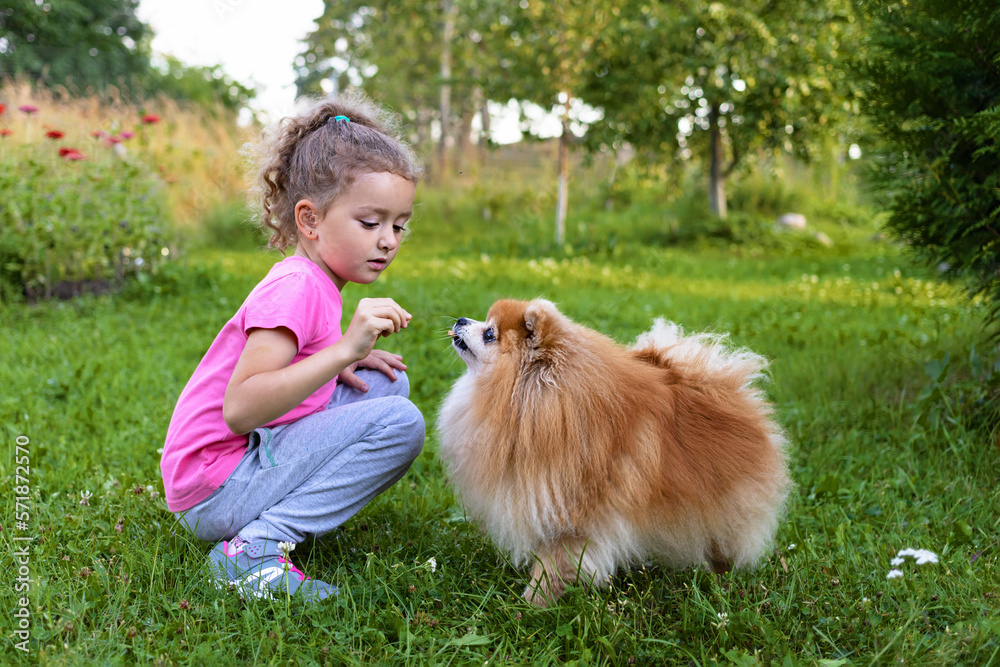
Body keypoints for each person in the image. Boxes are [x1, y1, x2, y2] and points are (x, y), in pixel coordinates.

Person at [160, 93, 425, 601]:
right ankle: (254, 548)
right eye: (371, 223)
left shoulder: (318, 283)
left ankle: (282, 516)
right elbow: (240, 410)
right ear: (309, 220)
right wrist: (343, 351)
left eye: (399, 225)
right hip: (216, 483)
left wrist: (350, 357)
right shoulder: (296, 287)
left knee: (386, 385)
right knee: (402, 422)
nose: (389, 239)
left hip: (241, 463)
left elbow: (300, 366)